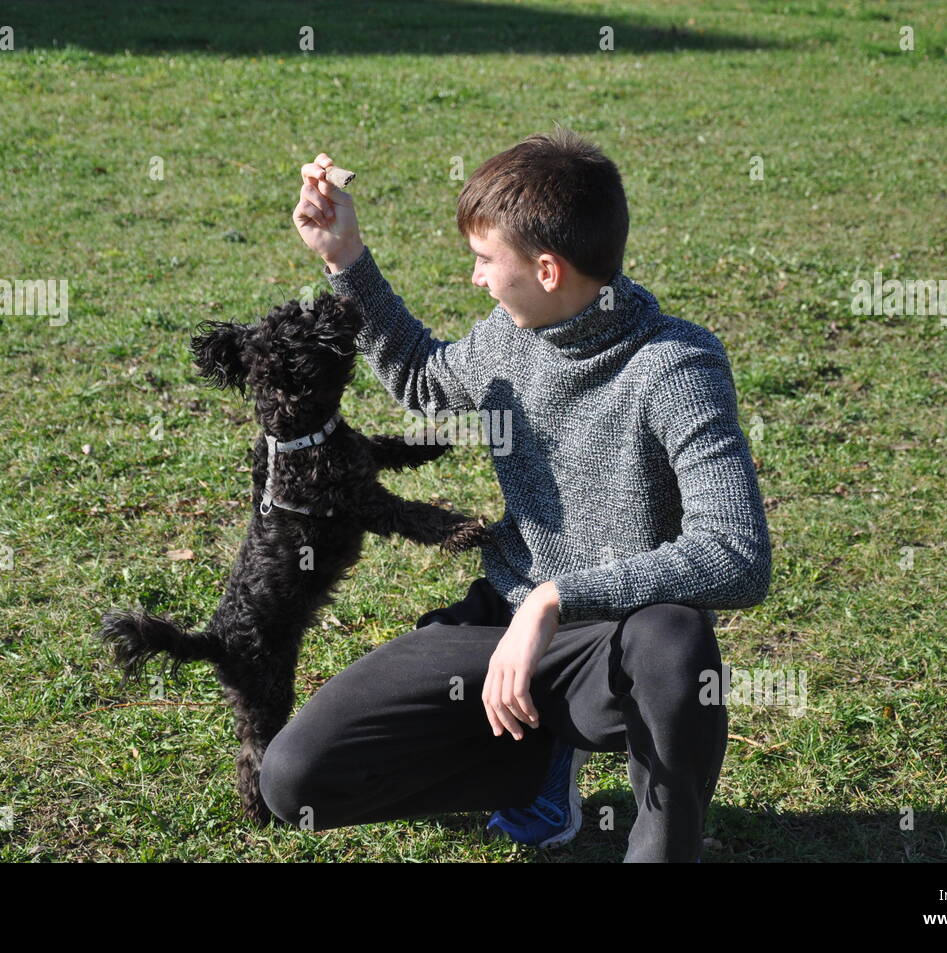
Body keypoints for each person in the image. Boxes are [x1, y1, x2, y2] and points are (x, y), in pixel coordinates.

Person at [261, 128, 772, 862]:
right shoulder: (511, 334)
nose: (476, 279)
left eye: (482, 260)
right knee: (295, 778)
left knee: (675, 641)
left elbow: (738, 555)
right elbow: (420, 376)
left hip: (613, 648)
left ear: (546, 268)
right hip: (502, 628)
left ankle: (661, 846)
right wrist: (344, 256)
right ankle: (533, 768)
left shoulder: (677, 365)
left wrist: (558, 595)